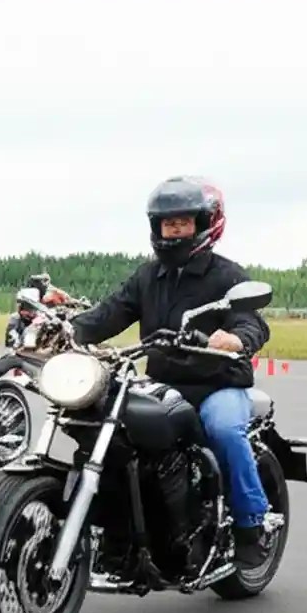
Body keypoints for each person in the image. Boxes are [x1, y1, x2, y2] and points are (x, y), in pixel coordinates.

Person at [67, 176, 271, 568]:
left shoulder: (227, 276)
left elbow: (252, 322)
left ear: (204, 224)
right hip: (162, 385)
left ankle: (250, 524)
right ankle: (121, 533)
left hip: (217, 385)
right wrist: (66, 331)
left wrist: (235, 337)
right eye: (167, 223)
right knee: (109, 429)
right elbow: (109, 314)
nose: (174, 231)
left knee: (224, 430)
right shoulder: (148, 277)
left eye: (183, 223)